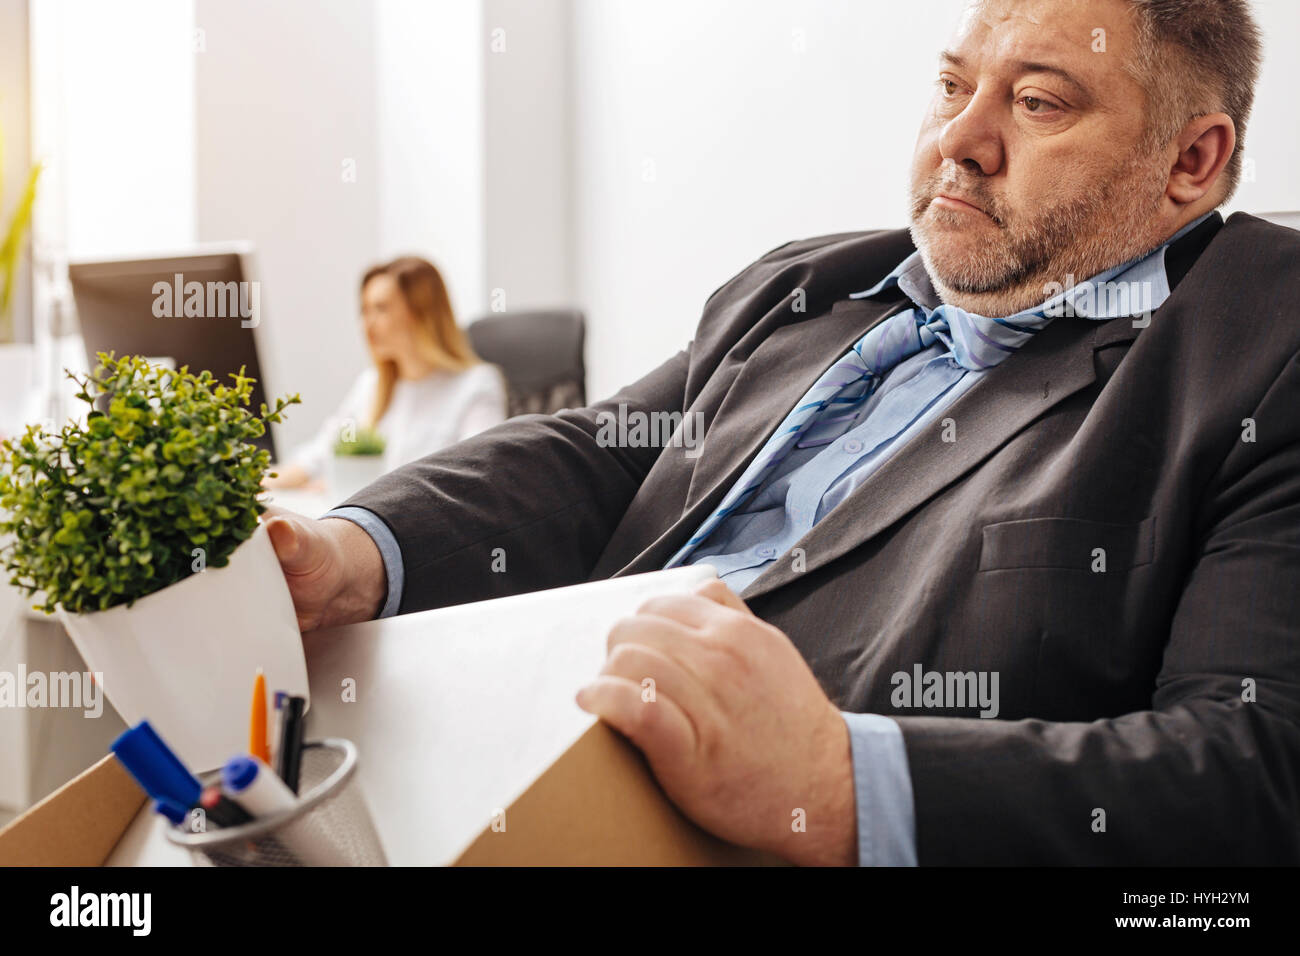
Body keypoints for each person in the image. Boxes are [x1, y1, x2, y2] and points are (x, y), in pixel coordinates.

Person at [264, 0, 1300, 865]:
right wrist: (351, 552)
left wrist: (836, 780)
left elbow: (1254, 762)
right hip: (487, 753)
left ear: (1191, 161)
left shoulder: (1258, 347)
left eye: (1035, 102)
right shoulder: (813, 282)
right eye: (951, 87)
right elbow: (603, 453)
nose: (958, 140)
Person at [265, 256, 506, 489]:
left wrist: (351, 487)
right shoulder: (372, 384)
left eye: (381, 309)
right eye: (364, 310)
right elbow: (322, 451)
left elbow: (477, 476)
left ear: (420, 313)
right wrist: (265, 482)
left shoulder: (475, 384)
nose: (367, 324)